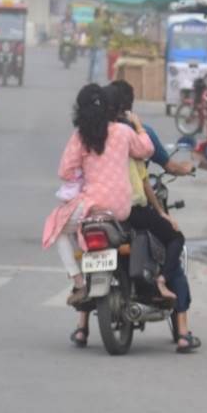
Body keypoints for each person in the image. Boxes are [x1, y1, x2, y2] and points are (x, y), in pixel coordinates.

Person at [43, 85, 153, 346]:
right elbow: (146, 150)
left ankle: (79, 281)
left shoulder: (81, 137)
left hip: (91, 207)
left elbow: (65, 171)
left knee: (56, 228)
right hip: (120, 208)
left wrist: (83, 172)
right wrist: (139, 127)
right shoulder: (124, 132)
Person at [106, 83, 200, 352]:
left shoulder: (94, 133)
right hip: (132, 209)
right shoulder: (136, 136)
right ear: (129, 105)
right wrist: (160, 212)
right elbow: (148, 179)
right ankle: (182, 331)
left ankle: (81, 326)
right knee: (174, 241)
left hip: (99, 209)